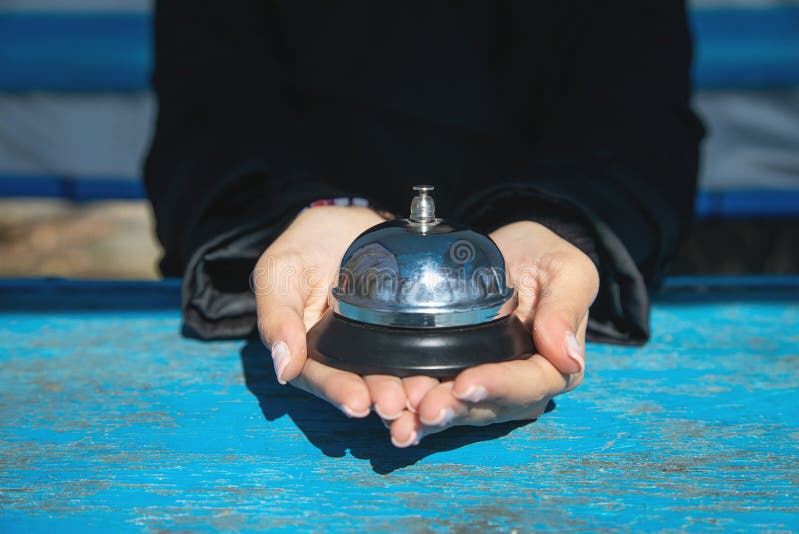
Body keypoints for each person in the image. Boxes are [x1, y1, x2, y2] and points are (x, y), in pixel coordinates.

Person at [144, 1, 703, 448]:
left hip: (538, 208)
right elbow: (210, 108)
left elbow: (640, 106)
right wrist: (304, 211)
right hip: (299, 218)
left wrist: (559, 224)